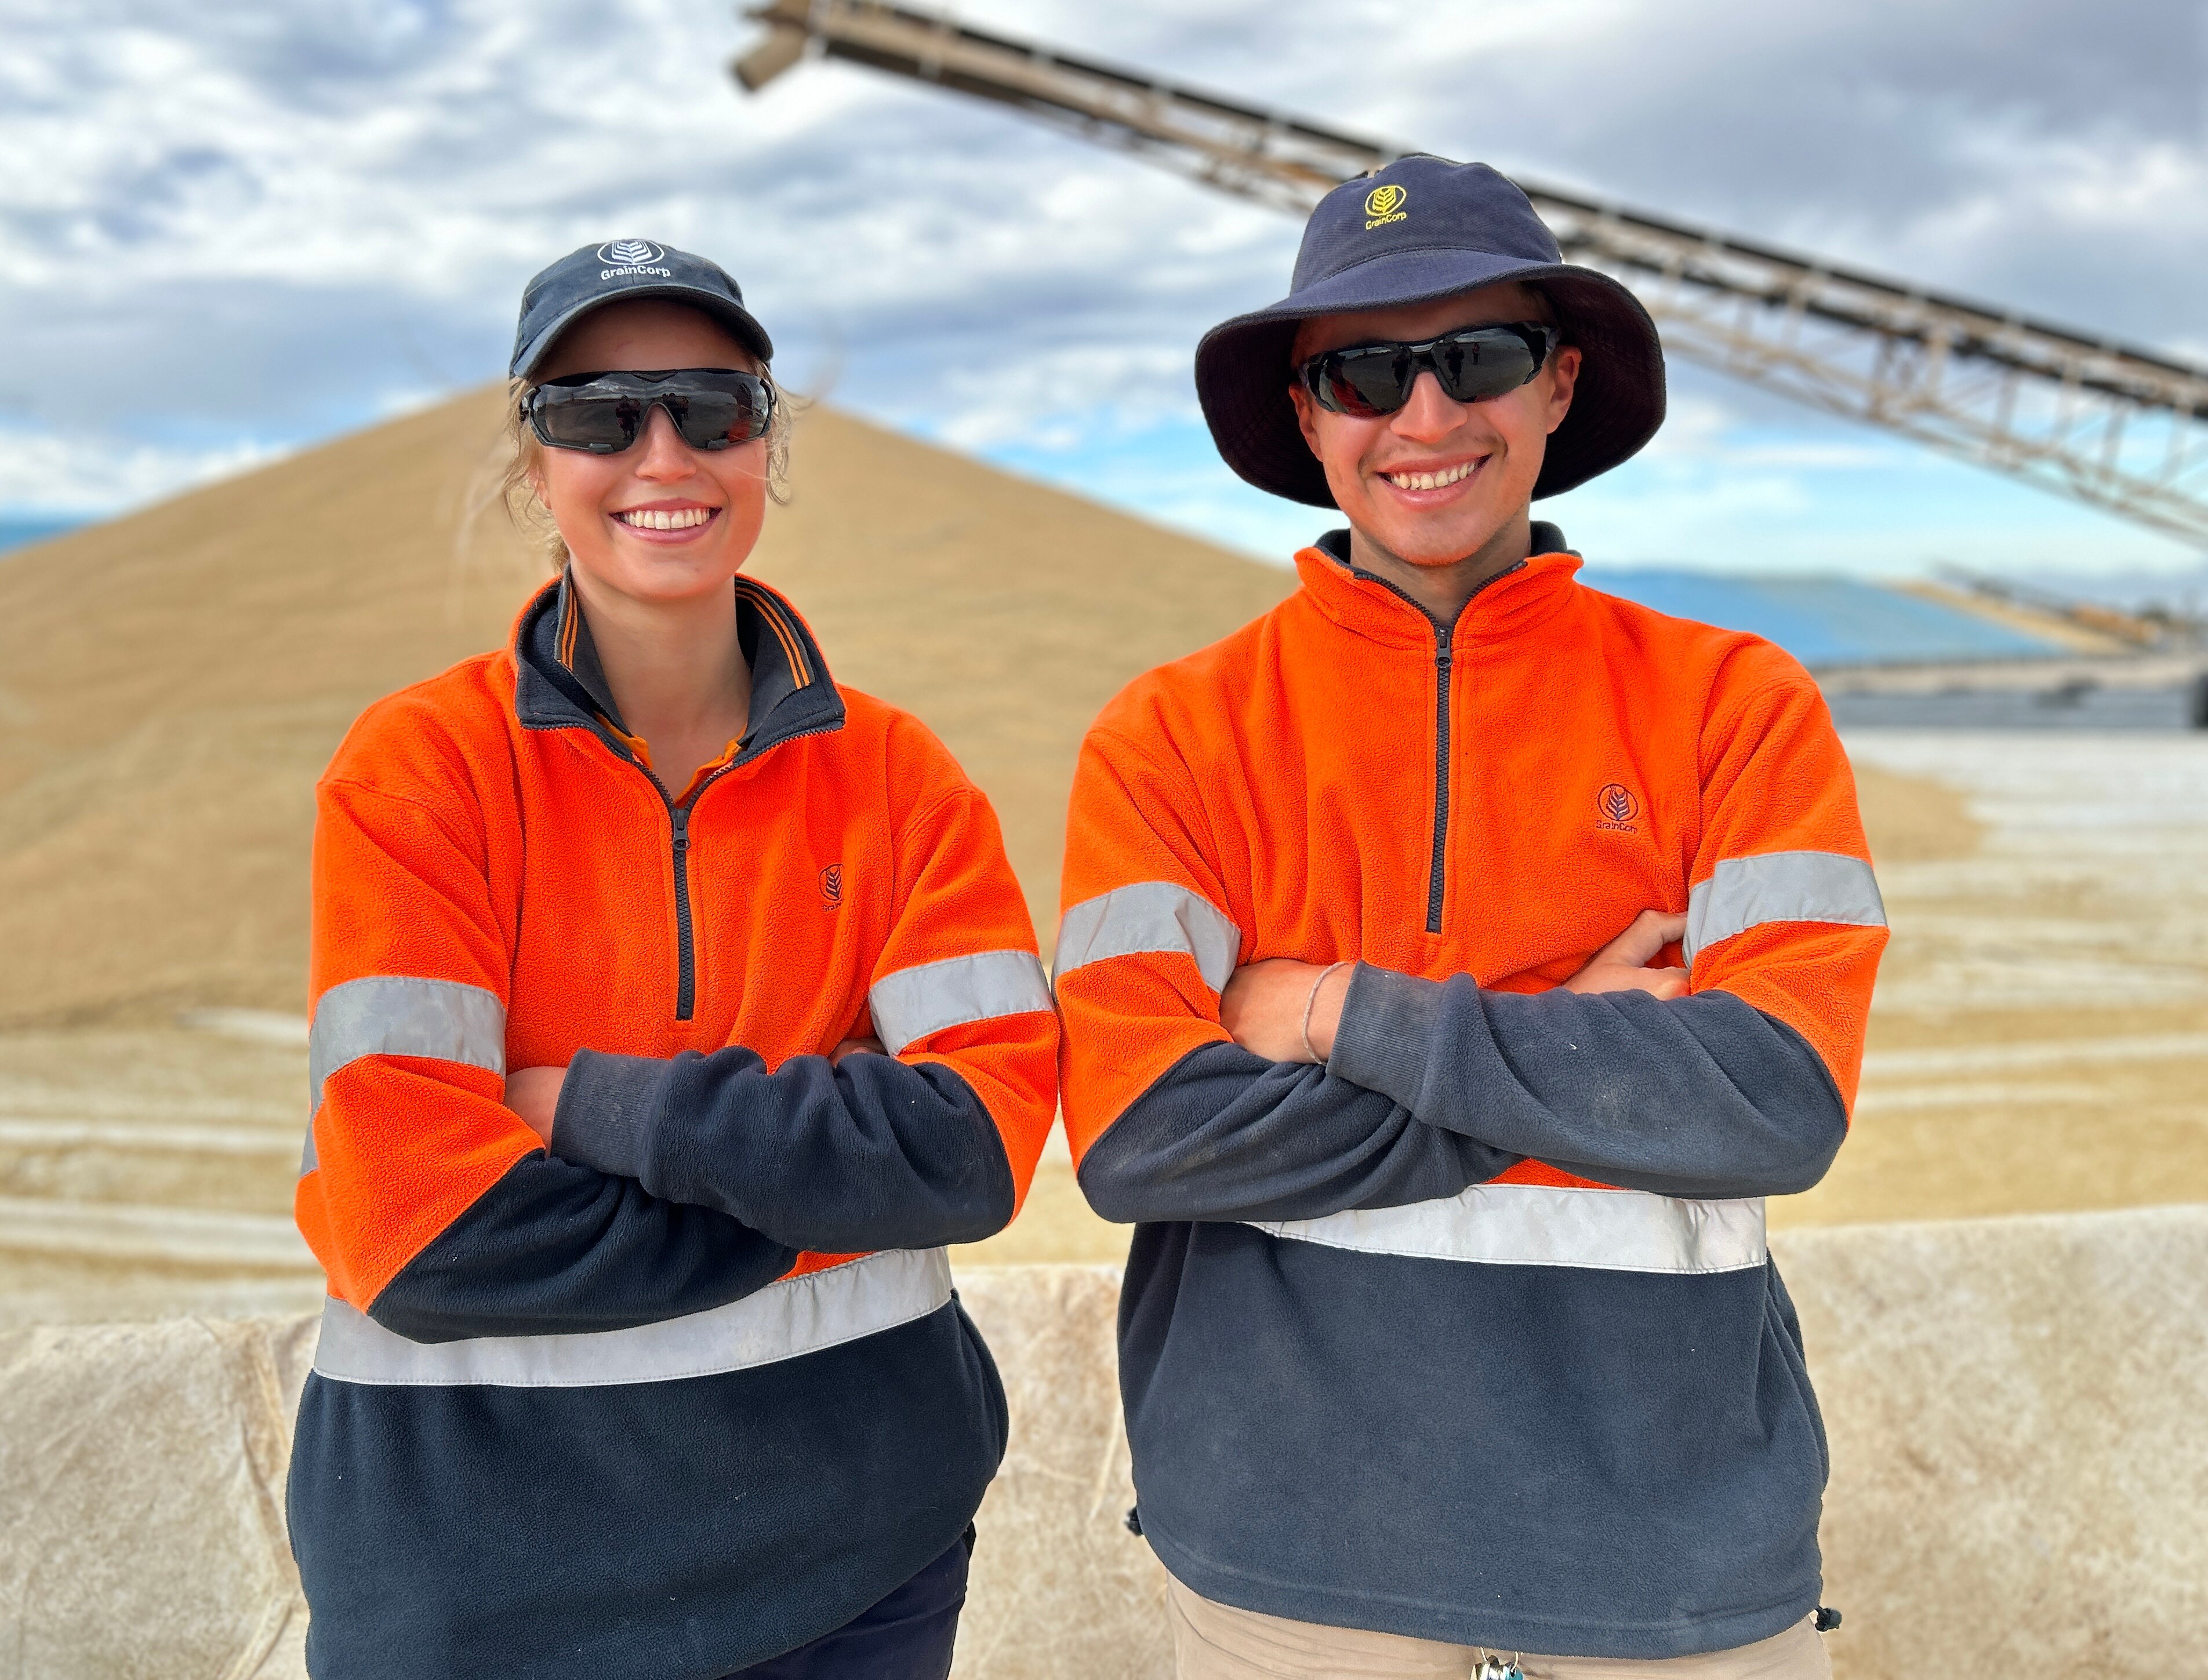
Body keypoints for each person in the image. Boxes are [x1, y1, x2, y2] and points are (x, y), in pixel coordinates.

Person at [1054, 158, 1887, 1678]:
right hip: (1286, 1554)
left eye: (1476, 360)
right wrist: (1580, 1027)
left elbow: (1778, 1104)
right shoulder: (1171, 737)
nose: (1425, 417)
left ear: (1561, 384)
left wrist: (1327, 1017)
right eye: (1363, 372)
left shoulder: (1735, 708)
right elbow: (1142, 1140)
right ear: (1306, 416)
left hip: (1676, 1552)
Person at [288, 238, 1058, 1679]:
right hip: (479, 1579)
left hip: (861, 1562)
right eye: (598, 411)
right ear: (535, 458)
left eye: (713, 407)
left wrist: (580, 1108)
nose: (664, 451)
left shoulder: (901, 780)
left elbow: (970, 1158)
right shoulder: (422, 773)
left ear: (766, 442)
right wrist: (831, 1167)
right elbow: (425, 1234)